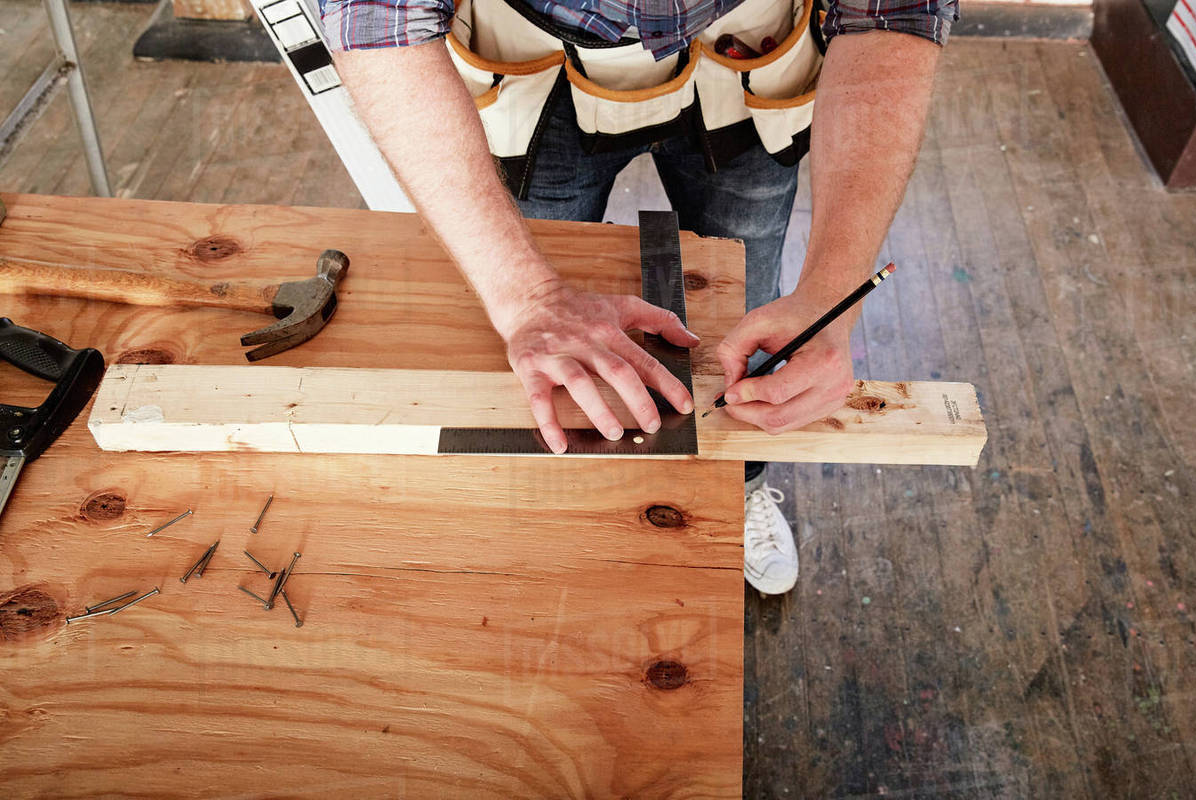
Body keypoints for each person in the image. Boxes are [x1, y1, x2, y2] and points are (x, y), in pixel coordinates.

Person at [319, 0, 958, 594]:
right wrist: (529, 297)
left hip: (748, 52)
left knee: (753, 318)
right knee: (545, 358)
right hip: (534, 65)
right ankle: (577, 518)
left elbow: (893, 9)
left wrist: (830, 296)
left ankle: (742, 482)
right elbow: (375, 17)